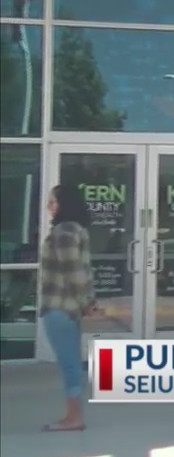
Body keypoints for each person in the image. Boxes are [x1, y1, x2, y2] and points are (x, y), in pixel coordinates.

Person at [40, 185, 95, 432]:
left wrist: (86, 302)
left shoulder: (64, 231)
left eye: (53, 201)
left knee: (69, 364)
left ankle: (74, 417)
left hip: (59, 308)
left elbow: (73, 272)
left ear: (65, 203)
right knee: (71, 363)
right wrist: (88, 301)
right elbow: (83, 271)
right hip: (69, 309)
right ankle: (74, 416)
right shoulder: (77, 230)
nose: (49, 206)